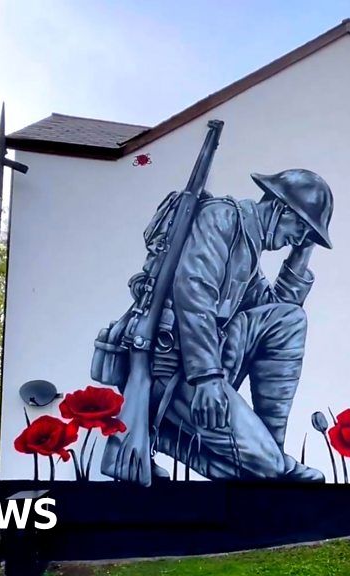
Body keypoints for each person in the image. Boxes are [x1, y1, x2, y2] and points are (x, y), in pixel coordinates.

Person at [123, 168, 334, 482]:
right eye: (302, 229)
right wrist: (207, 378)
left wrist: (302, 252)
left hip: (202, 365)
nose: (299, 239)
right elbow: (193, 296)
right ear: (280, 208)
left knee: (290, 321)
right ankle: (165, 434)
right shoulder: (221, 218)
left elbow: (277, 313)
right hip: (172, 367)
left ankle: (271, 449)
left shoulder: (246, 247)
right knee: (270, 470)